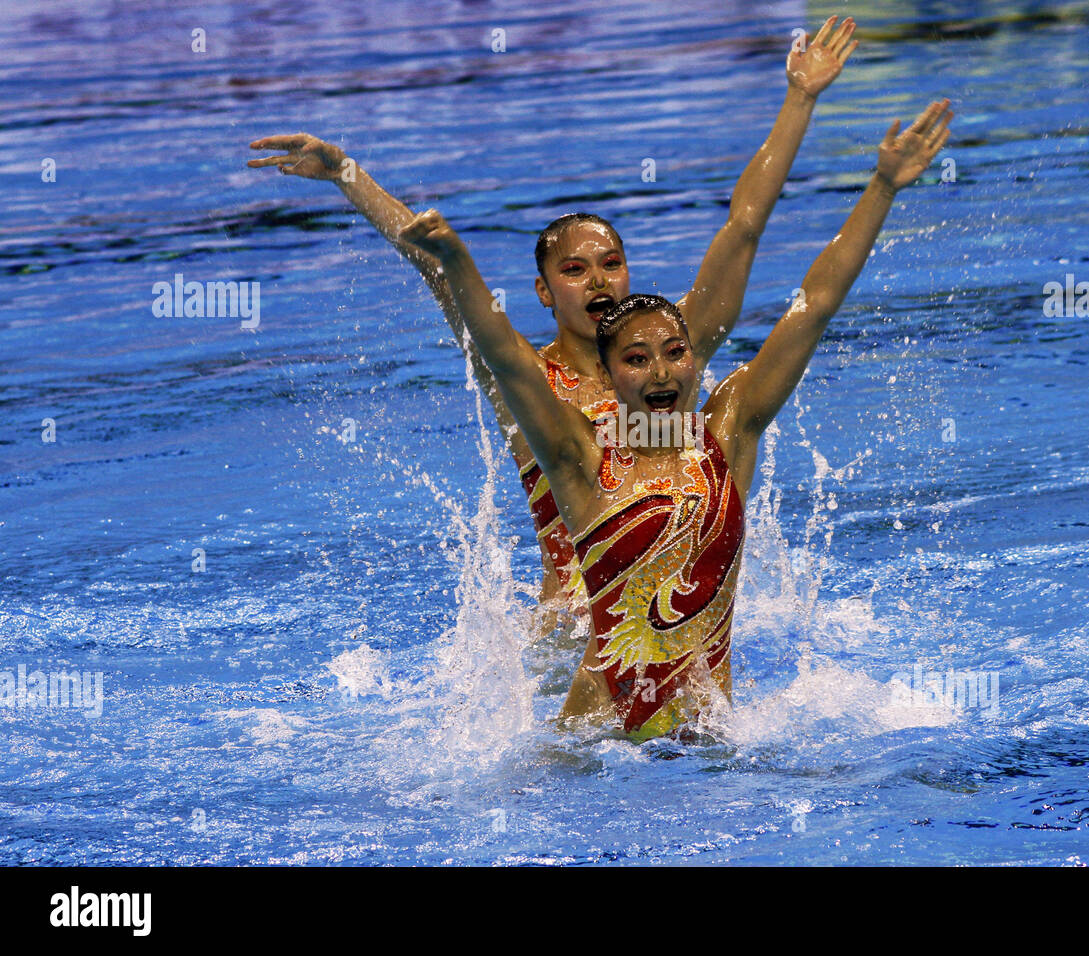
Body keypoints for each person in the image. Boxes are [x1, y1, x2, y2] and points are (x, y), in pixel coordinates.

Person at [247, 17, 860, 633]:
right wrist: (346, 173)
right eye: (574, 269)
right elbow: (436, 266)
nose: (598, 280)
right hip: (575, 634)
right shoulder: (528, 379)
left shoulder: (672, 350)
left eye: (611, 264)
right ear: (542, 291)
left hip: (678, 618)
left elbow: (743, 229)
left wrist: (799, 99)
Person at [398, 100, 954, 740]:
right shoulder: (582, 460)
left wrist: (881, 187)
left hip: (711, 736)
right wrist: (457, 260)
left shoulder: (729, 432)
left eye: (675, 352)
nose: (661, 372)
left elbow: (814, 306)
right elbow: (502, 354)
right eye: (636, 359)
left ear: (696, 358)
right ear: (612, 373)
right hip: (594, 747)